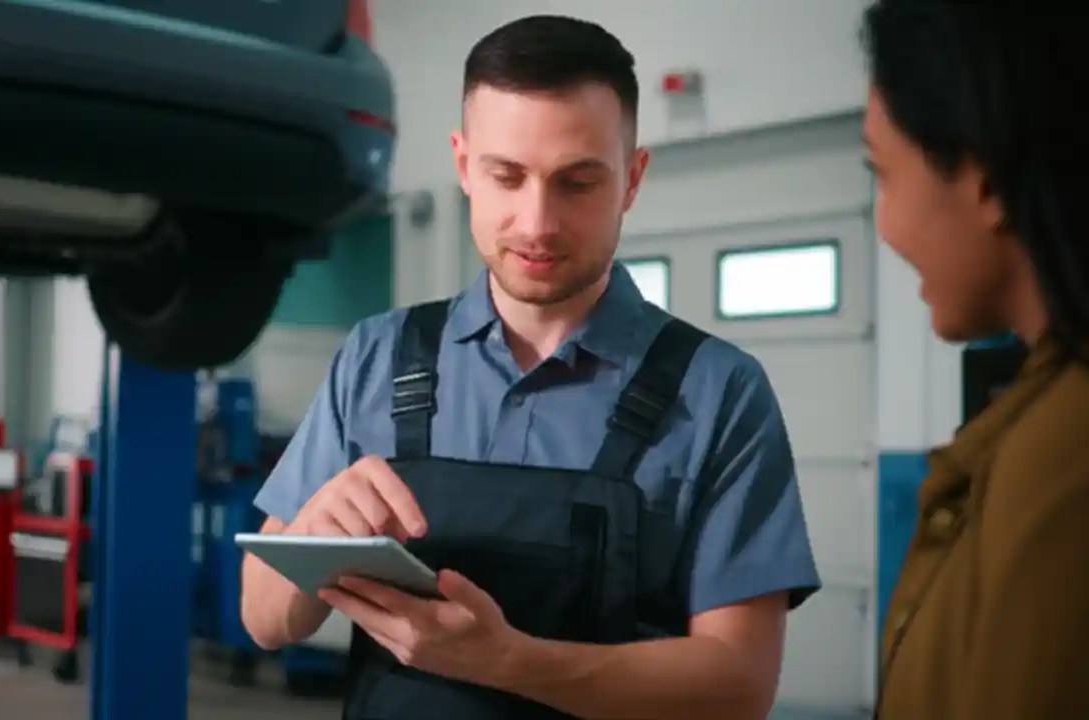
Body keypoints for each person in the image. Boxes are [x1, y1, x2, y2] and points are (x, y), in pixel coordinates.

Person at [241, 14, 820, 719]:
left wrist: (508, 662)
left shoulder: (719, 392)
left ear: (632, 179)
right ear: (463, 167)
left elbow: (738, 687)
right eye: (507, 176)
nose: (537, 222)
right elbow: (263, 621)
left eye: (576, 183)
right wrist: (311, 532)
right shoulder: (377, 357)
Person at [861, 2, 1089, 718]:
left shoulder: (1063, 461)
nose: (884, 224)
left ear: (984, 177)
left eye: (883, 173)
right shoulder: (1041, 422)